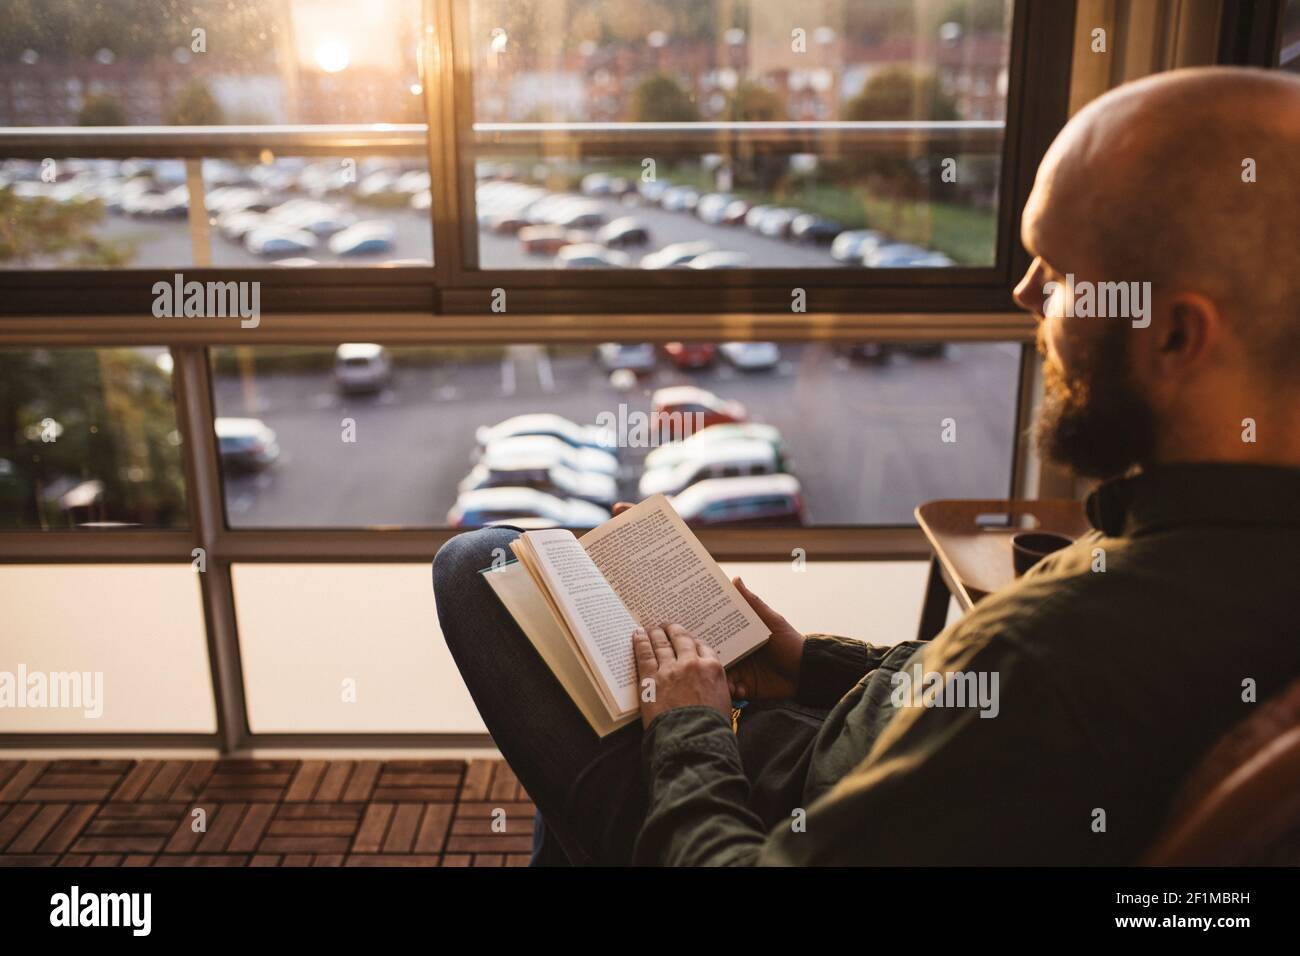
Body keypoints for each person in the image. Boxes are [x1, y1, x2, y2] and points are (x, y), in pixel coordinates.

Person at [432, 66, 1300, 865]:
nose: (1024, 293)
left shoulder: (1048, 659)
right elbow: (963, 702)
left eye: (1061, 271)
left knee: (482, 565)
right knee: (584, 699)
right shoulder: (1213, 542)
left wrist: (689, 728)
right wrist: (809, 659)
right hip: (827, 743)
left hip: (760, 810)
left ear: (1177, 336)